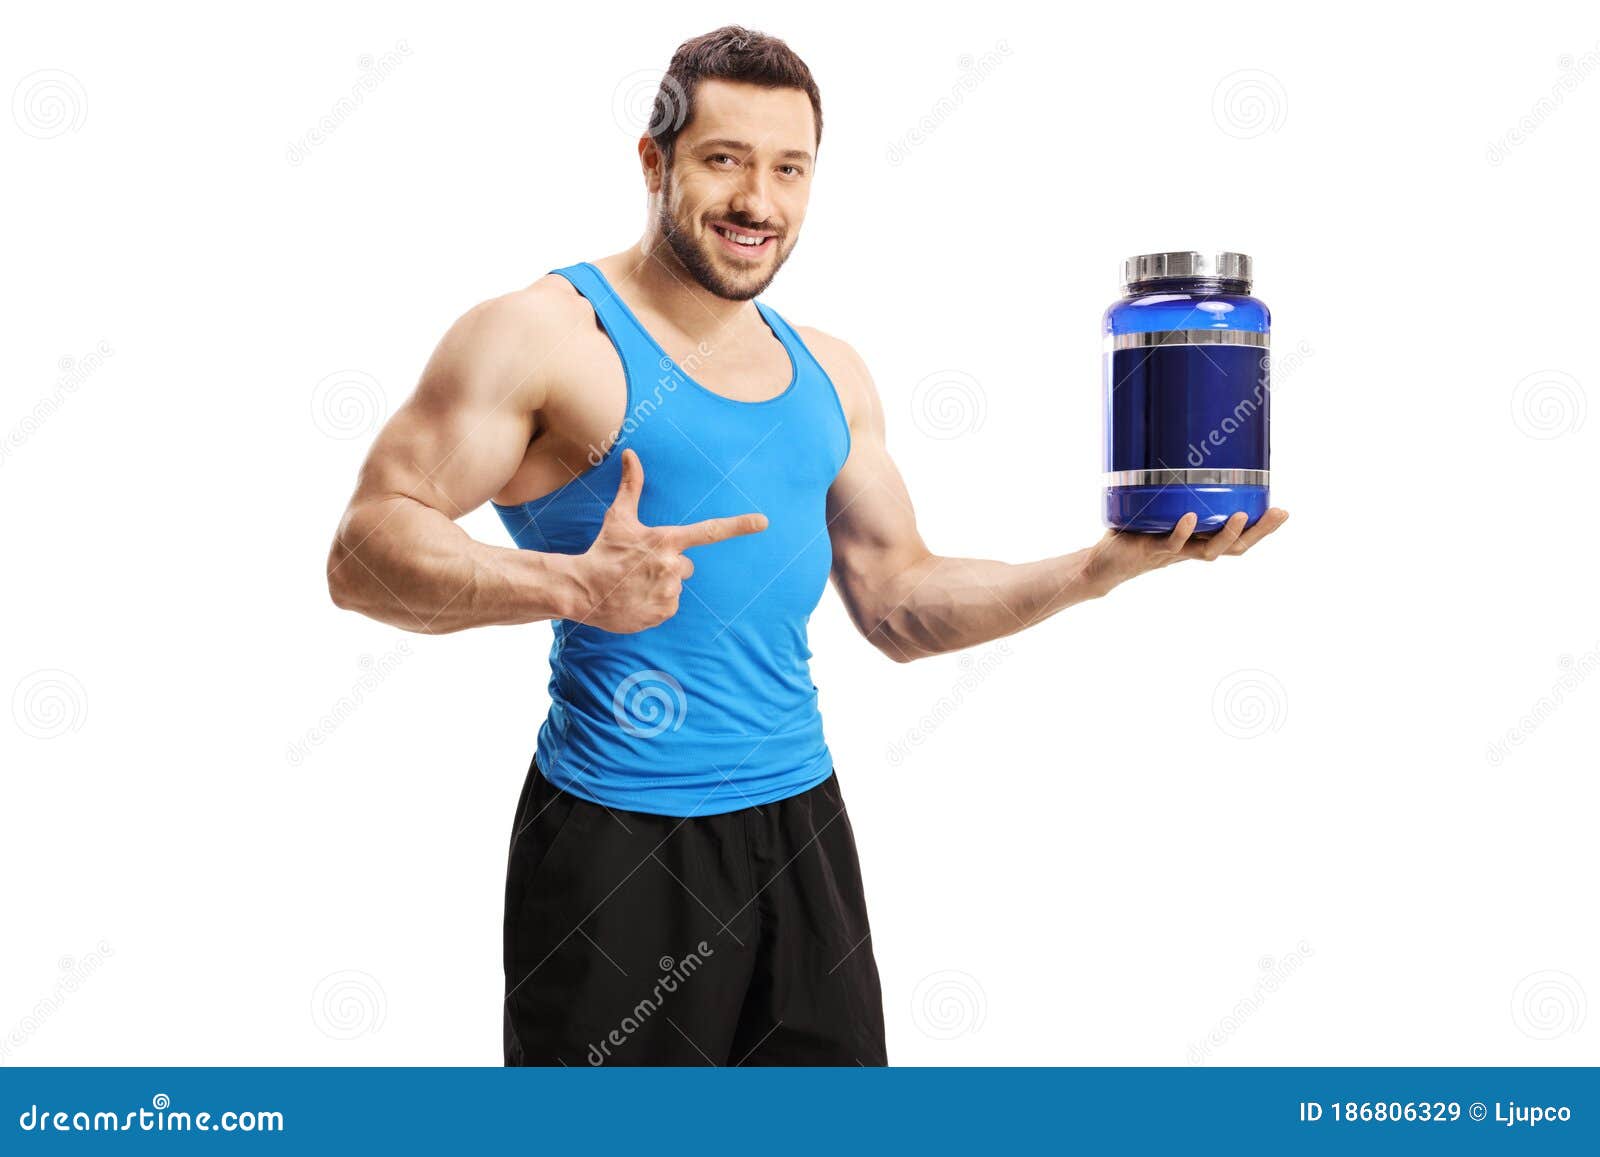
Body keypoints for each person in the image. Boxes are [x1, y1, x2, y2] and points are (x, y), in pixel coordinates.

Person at [324, 25, 1289, 1066]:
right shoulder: (544, 335)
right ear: (653, 160)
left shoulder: (828, 371)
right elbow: (366, 547)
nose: (757, 201)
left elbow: (900, 601)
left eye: (788, 169)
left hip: (799, 826)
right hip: (616, 840)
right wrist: (569, 583)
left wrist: (1094, 571)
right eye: (724, 160)